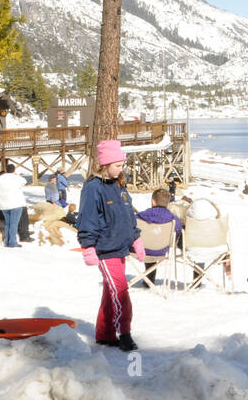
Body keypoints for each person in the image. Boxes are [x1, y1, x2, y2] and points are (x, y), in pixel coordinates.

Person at [77, 140, 145, 352]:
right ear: (105, 164)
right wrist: (88, 246)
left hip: (120, 247)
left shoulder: (119, 186)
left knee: (111, 292)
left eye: (122, 165)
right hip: (105, 249)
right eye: (117, 165)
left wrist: (135, 238)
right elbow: (86, 218)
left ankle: (105, 334)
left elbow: (128, 215)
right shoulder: (93, 188)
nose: (120, 169)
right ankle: (124, 333)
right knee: (121, 293)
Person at [136, 188, 184, 285]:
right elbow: (178, 232)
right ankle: (149, 280)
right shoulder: (173, 219)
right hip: (161, 250)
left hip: (141, 250)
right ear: (168, 204)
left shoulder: (139, 216)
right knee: (155, 241)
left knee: (149, 240)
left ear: (153, 201)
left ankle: (149, 280)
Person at [0, 162, 28, 248]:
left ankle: (7, 241)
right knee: (14, 223)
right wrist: (16, 174)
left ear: (6, 170)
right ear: (14, 170)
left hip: (4, 205)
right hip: (16, 204)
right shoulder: (17, 178)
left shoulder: (0, 179)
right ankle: (12, 242)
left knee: (8, 223)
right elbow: (24, 181)